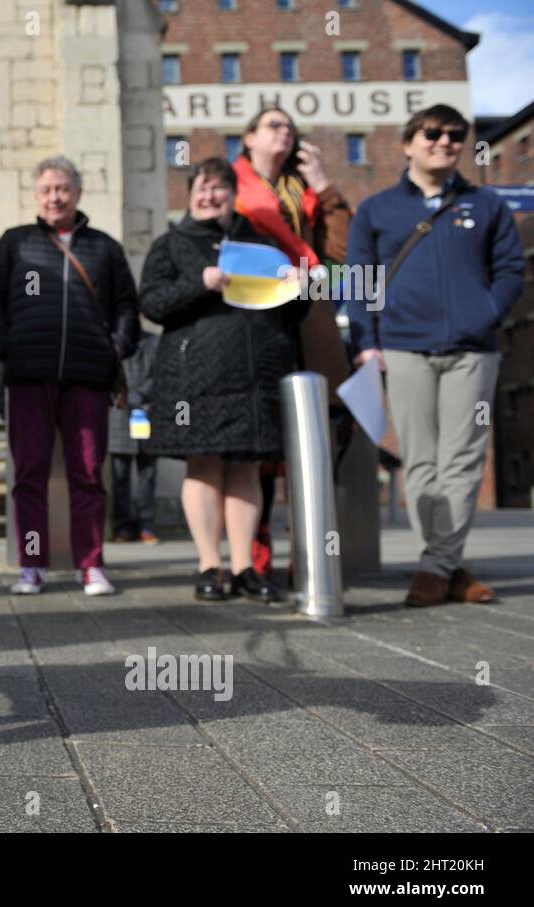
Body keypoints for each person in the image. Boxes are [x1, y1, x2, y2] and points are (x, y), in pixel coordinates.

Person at [345, 104, 524, 608]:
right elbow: (360, 282)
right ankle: (448, 565)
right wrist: (365, 341)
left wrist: (486, 312)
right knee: (421, 460)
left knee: (462, 459)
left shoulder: (486, 205)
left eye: (455, 135)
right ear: (407, 143)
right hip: (403, 347)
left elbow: (511, 270)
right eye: (432, 133)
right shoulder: (377, 210)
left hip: (473, 349)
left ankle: (436, 568)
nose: (445, 142)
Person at [141, 158, 306, 603]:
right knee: (204, 465)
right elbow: (152, 304)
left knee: (247, 466)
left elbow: (292, 313)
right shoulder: (171, 244)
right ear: (191, 194)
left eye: (218, 188)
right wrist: (200, 283)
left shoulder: (262, 244)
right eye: (202, 188)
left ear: (233, 194)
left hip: (255, 374)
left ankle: (245, 568)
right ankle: (209, 564)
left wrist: (297, 285)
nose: (210, 196)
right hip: (196, 375)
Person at [0, 156, 138, 596]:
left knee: (88, 474)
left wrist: (117, 348)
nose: (55, 197)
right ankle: (32, 565)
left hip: (88, 377)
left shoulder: (104, 247)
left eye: (63, 188)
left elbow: (127, 304)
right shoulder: (16, 243)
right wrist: (2, 344)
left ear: (78, 193)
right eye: (47, 189)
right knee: (29, 475)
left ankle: (91, 565)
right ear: (37, 194)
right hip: (28, 375)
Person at [233, 107, 353, 581]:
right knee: (260, 447)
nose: (284, 133)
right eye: (272, 125)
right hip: (256, 322)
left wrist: (323, 185)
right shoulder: (234, 188)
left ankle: (309, 561)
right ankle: (256, 561)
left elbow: (340, 252)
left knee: (316, 443)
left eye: (289, 128)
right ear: (248, 138)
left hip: (308, 321)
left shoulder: (302, 191)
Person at [108, 329, 160, 545]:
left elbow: (159, 374)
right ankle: (122, 526)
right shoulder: (112, 341)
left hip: (147, 413)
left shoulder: (154, 342)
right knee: (119, 477)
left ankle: (146, 525)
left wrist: (140, 395)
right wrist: (124, 395)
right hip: (119, 414)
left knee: (147, 475)